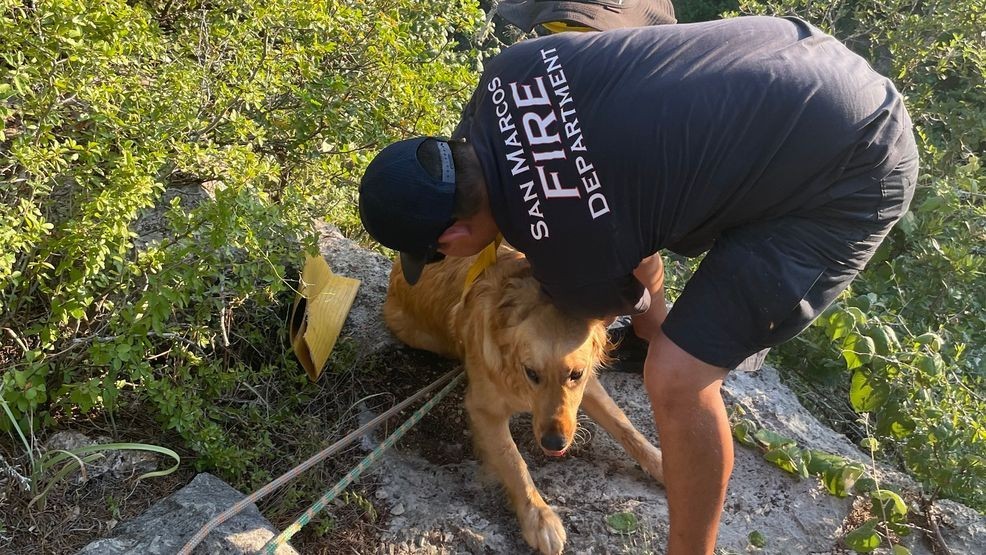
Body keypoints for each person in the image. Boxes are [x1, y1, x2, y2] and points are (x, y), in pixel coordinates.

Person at [358, 15, 917, 554]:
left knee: (675, 376)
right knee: (647, 233)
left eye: (433, 254)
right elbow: (627, 231)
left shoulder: (566, 247)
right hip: (803, 56)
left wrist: (649, 318)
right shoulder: (505, 73)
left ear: (454, 234)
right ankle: (657, 334)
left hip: (856, 169)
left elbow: (610, 295)